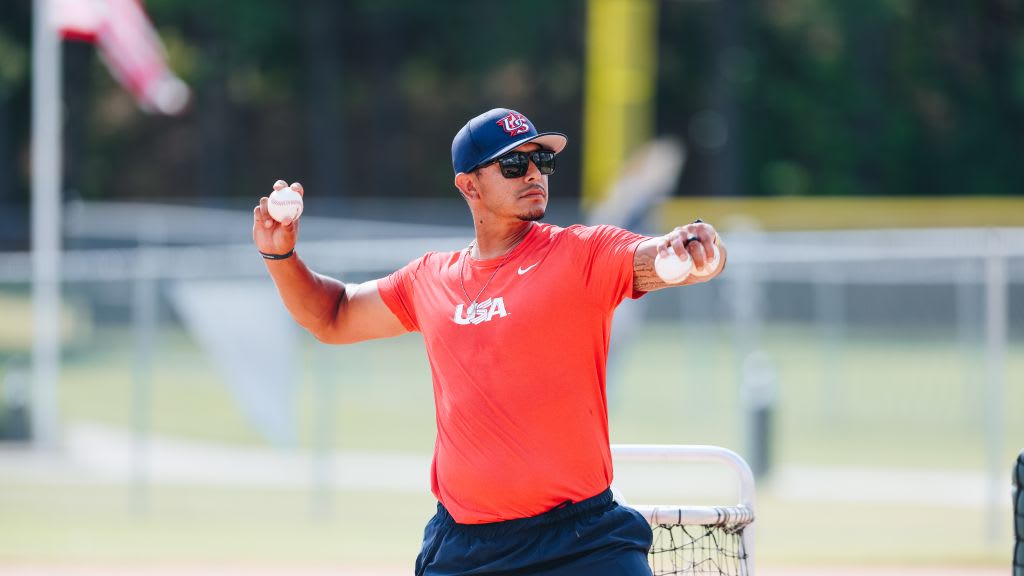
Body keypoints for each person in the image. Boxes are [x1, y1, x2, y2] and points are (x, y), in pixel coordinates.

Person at [252, 108, 727, 576]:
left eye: (542, 161)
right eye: (514, 165)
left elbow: (654, 259)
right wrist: (280, 254)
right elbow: (332, 315)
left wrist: (694, 252)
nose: (534, 174)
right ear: (469, 185)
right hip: (467, 549)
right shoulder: (429, 278)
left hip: (583, 543)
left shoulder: (581, 253)